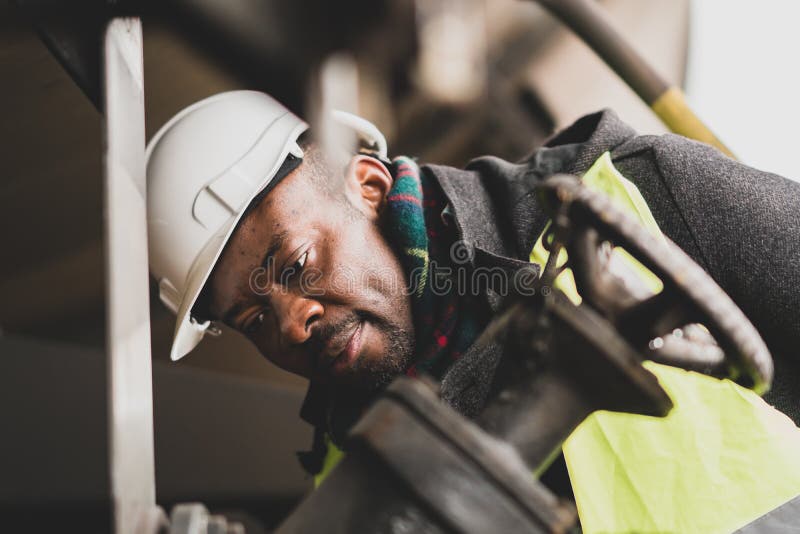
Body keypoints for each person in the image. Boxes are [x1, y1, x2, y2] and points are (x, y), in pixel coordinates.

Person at [146, 90, 800, 532]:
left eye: (295, 267)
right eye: (253, 320)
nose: (291, 323)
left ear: (369, 186)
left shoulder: (630, 197)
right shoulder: (347, 469)